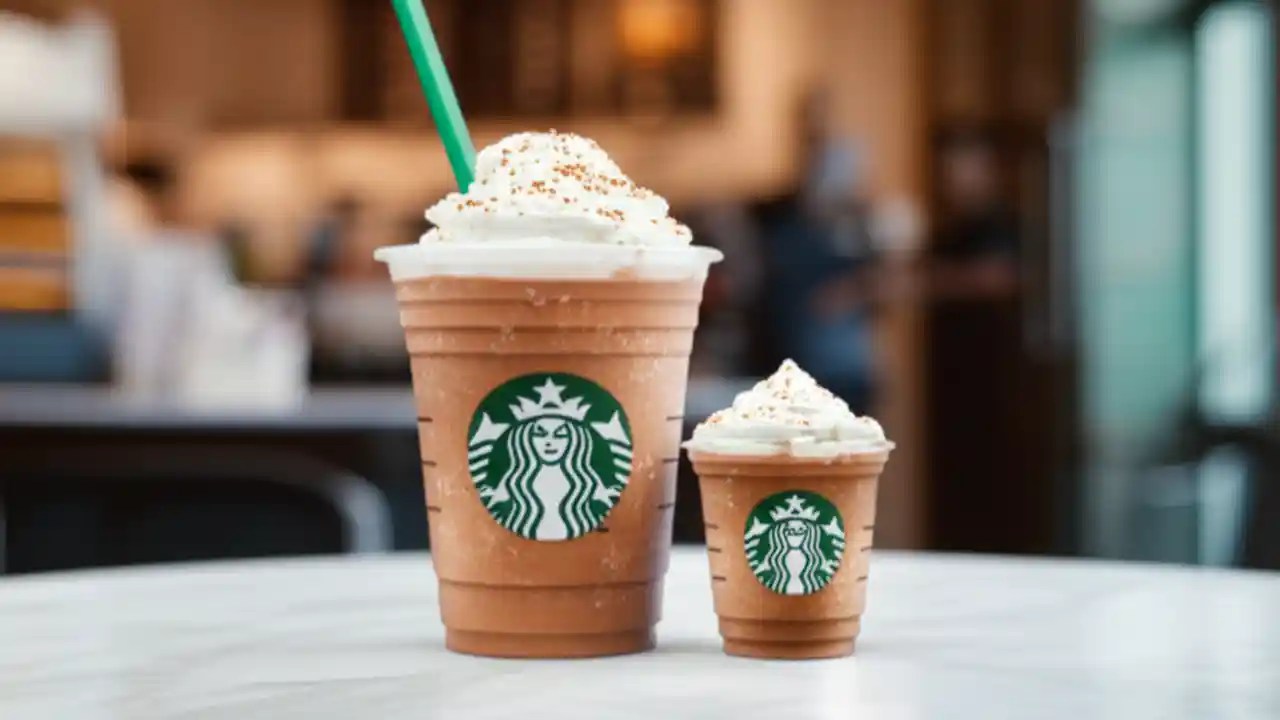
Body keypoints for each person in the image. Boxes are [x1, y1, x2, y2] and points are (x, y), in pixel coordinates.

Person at [755, 89, 879, 412]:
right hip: (792, 366)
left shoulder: (858, 220)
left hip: (842, 367)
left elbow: (884, 279)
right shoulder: (782, 214)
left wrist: (851, 291)